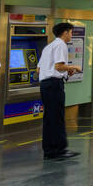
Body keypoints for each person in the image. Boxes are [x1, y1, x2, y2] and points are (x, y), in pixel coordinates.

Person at [38, 22, 80, 160]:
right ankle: (59, 150)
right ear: (65, 33)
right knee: (57, 117)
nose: (71, 35)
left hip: (45, 85)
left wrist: (67, 72)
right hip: (54, 85)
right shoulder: (61, 45)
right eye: (71, 32)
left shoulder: (48, 47)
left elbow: (39, 69)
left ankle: (49, 150)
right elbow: (58, 66)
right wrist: (73, 67)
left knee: (49, 118)